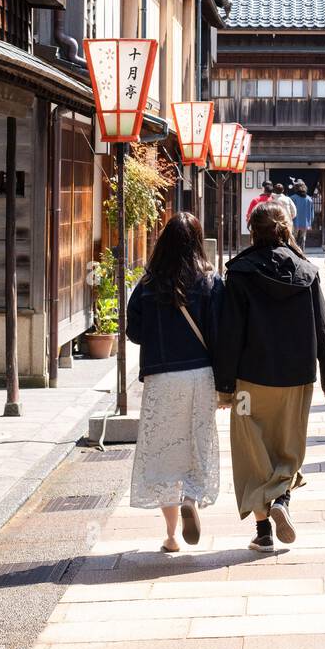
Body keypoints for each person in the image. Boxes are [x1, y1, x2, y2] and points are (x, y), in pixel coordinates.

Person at [214, 201, 325, 552]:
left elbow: (230, 332)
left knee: (252, 450)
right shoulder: (306, 270)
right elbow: (322, 327)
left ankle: (263, 530)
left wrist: (224, 385)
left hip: (250, 376)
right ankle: (282, 497)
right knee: (288, 446)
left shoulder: (239, 273)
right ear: (287, 229)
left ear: (252, 230)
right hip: (297, 376)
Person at [127, 213, 224, 554]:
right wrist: (226, 384)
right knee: (198, 442)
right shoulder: (211, 282)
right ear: (198, 241)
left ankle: (170, 536)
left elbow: (133, 331)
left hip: (161, 376)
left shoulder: (148, 283)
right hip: (200, 374)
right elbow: (219, 334)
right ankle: (193, 498)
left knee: (164, 451)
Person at [291, 181, 314, 250]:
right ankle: (301, 254)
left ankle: (294, 254)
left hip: (294, 223)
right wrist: (310, 223)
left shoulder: (292, 198)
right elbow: (312, 214)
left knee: (293, 240)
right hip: (305, 224)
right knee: (302, 240)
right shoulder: (309, 199)